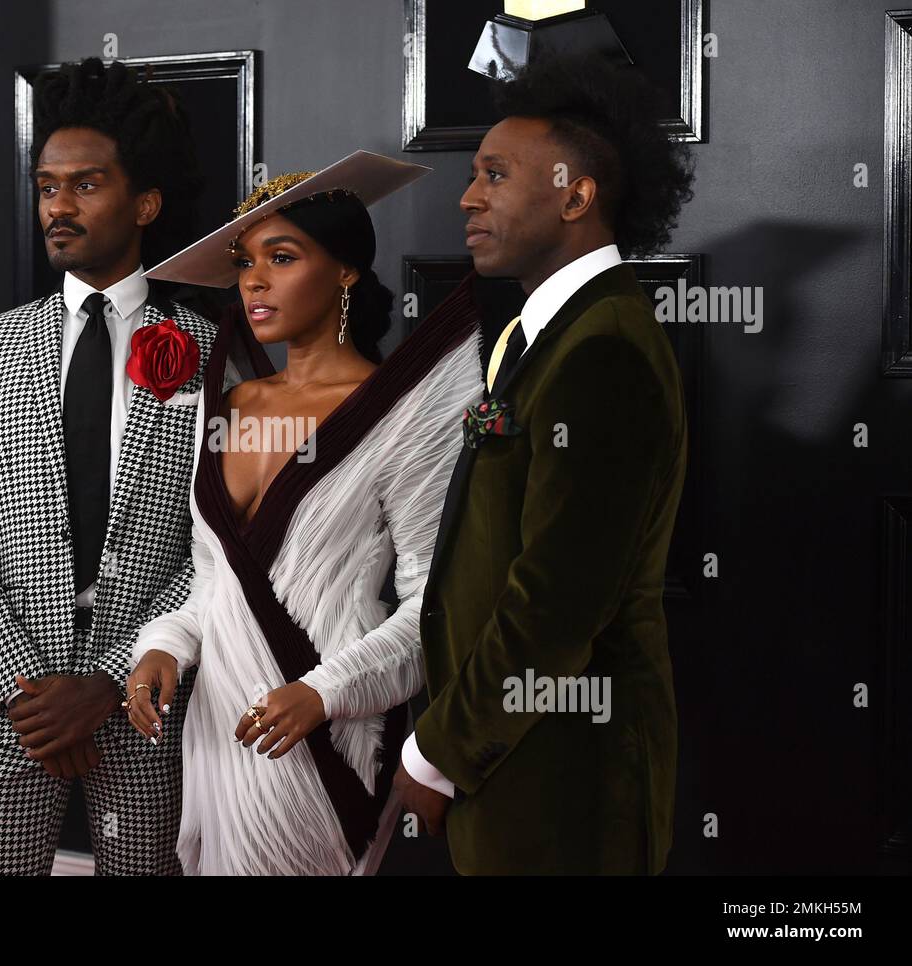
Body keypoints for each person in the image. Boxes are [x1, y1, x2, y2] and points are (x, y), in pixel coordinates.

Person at [125, 151, 486, 875]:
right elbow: (214, 586)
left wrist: (320, 694)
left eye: (281, 257)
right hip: (217, 723)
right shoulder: (222, 405)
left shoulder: (401, 414)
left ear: (346, 269)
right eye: (245, 261)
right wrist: (161, 647)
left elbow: (432, 609)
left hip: (324, 730)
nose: (253, 280)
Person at [394, 53, 696, 874]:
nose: (467, 196)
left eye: (494, 174)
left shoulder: (604, 351)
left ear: (576, 194)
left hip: (566, 779)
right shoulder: (555, 333)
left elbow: (559, 604)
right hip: (519, 763)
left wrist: (440, 751)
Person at [0, 57, 217, 875]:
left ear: (145, 203)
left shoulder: (207, 353)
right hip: (9, 710)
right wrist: (27, 691)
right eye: (48, 185)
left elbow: (218, 542)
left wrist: (103, 682)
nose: (59, 204)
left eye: (85, 185)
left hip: (145, 701)